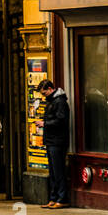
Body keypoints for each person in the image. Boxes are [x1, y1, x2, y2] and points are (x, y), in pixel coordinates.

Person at [37, 79, 70, 208]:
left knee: (58, 170)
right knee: (53, 171)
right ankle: (54, 197)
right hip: (51, 140)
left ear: (51, 89)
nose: (44, 96)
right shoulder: (52, 101)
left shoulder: (60, 102)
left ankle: (61, 198)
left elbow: (62, 121)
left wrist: (45, 124)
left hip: (58, 141)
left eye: (45, 93)